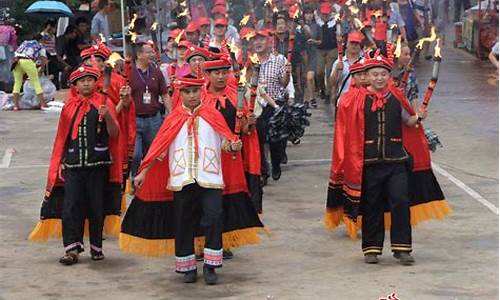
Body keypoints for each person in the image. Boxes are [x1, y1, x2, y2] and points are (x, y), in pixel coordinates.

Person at [324, 51, 451, 265]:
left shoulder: (396, 98)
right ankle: (371, 249)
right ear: (368, 76)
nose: (379, 78)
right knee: (372, 205)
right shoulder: (356, 100)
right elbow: (347, 130)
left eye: (383, 74)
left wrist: (418, 116)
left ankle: (402, 249)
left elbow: (409, 122)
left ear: (388, 75)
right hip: (369, 164)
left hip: (397, 162)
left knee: (400, 201)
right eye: (375, 74)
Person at [122, 77, 251, 285]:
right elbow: (159, 149)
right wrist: (143, 172)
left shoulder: (212, 115)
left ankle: (210, 266)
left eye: (195, 92)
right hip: (182, 178)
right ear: (180, 94)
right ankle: (188, 266)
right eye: (187, 92)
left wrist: (232, 146)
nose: (191, 96)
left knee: (213, 217)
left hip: (210, 177)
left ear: (201, 92)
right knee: (183, 221)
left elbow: (225, 142)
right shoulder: (173, 119)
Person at [28, 65, 122, 265]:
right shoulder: (69, 107)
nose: (86, 83)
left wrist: (107, 117)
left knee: (96, 207)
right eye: (82, 81)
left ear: (96, 82)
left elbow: (114, 134)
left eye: (89, 79)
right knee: (71, 207)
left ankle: (97, 246)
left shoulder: (104, 104)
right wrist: (60, 163)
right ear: (75, 85)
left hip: (98, 165)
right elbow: (62, 137)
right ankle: (71, 248)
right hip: (72, 166)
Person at [203, 58, 264, 257]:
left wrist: (251, 123)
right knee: (204, 199)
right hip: (207, 155)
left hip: (231, 157)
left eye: (224, 72)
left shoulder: (234, 96)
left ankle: (225, 241)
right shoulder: (199, 97)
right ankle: (201, 241)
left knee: (226, 199)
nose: (221, 77)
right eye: (216, 73)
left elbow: (245, 130)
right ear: (208, 75)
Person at [81, 43, 136, 188]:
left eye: (99, 61)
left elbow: (125, 108)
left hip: (113, 130)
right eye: (91, 61)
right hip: (89, 132)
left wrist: (124, 101)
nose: (95, 64)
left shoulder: (117, 81)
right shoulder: (81, 83)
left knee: (115, 167)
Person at [252, 29, 291, 182]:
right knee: (259, 140)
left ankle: (275, 163)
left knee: (275, 140)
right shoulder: (250, 61)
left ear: (268, 42)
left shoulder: (279, 59)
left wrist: (287, 73)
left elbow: (284, 83)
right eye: (255, 40)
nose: (258, 43)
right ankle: (263, 171)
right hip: (256, 107)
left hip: (275, 105)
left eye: (261, 39)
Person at [129, 42, 170, 179]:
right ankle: (135, 179)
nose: (152, 54)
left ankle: (150, 182)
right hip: (135, 119)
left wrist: (170, 113)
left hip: (154, 119)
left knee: (153, 153)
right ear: (139, 55)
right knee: (135, 154)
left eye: (152, 52)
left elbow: (164, 94)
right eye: (148, 52)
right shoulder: (129, 72)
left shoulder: (156, 72)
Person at [11, 36, 48, 110]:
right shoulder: (41, 46)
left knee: (17, 83)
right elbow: (43, 60)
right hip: (27, 61)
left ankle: (16, 106)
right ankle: (43, 104)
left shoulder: (25, 42)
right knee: (36, 82)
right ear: (41, 40)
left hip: (16, 61)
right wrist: (41, 70)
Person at [329, 31, 364, 106]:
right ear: (346, 44)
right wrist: (336, 70)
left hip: (360, 102)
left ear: (360, 45)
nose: (354, 46)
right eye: (351, 43)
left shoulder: (365, 63)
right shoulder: (339, 62)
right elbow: (332, 83)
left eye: (356, 43)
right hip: (343, 103)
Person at [315, 2, 338, 103]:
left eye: (327, 13)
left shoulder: (335, 22)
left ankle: (328, 93)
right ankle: (322, 89)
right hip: (319, 50)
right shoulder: (317, 21)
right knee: (319, 72)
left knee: (329, 72)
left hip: (332, 49)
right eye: (323, 13)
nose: (325, 15)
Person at [40, 19, 69, 89]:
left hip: (53, 56)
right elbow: (40, 39)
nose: (55, 29)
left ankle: (58, 86)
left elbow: (54, 50)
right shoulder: (45, 35)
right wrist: (46, 29)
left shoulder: (53, 36)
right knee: (51, 73)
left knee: (59, 71)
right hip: (47, 55)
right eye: (54, 27)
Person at [303, 4, 320, 108]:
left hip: (313, 53)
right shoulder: (300, 26)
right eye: (307, 14)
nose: (308, 16)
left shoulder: (317, 26)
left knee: (310, 77)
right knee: (305, 78)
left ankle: (312, 98)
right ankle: (307, 99)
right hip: (303, 53)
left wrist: (314, 41)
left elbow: (321, 41)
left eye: (310, 14)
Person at [0, 12, 17, 92]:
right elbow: (9, 42)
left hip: (4, 49)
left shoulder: (3, 28)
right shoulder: (9, 29)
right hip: (7, 50)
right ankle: (7, 86)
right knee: (7, 68)